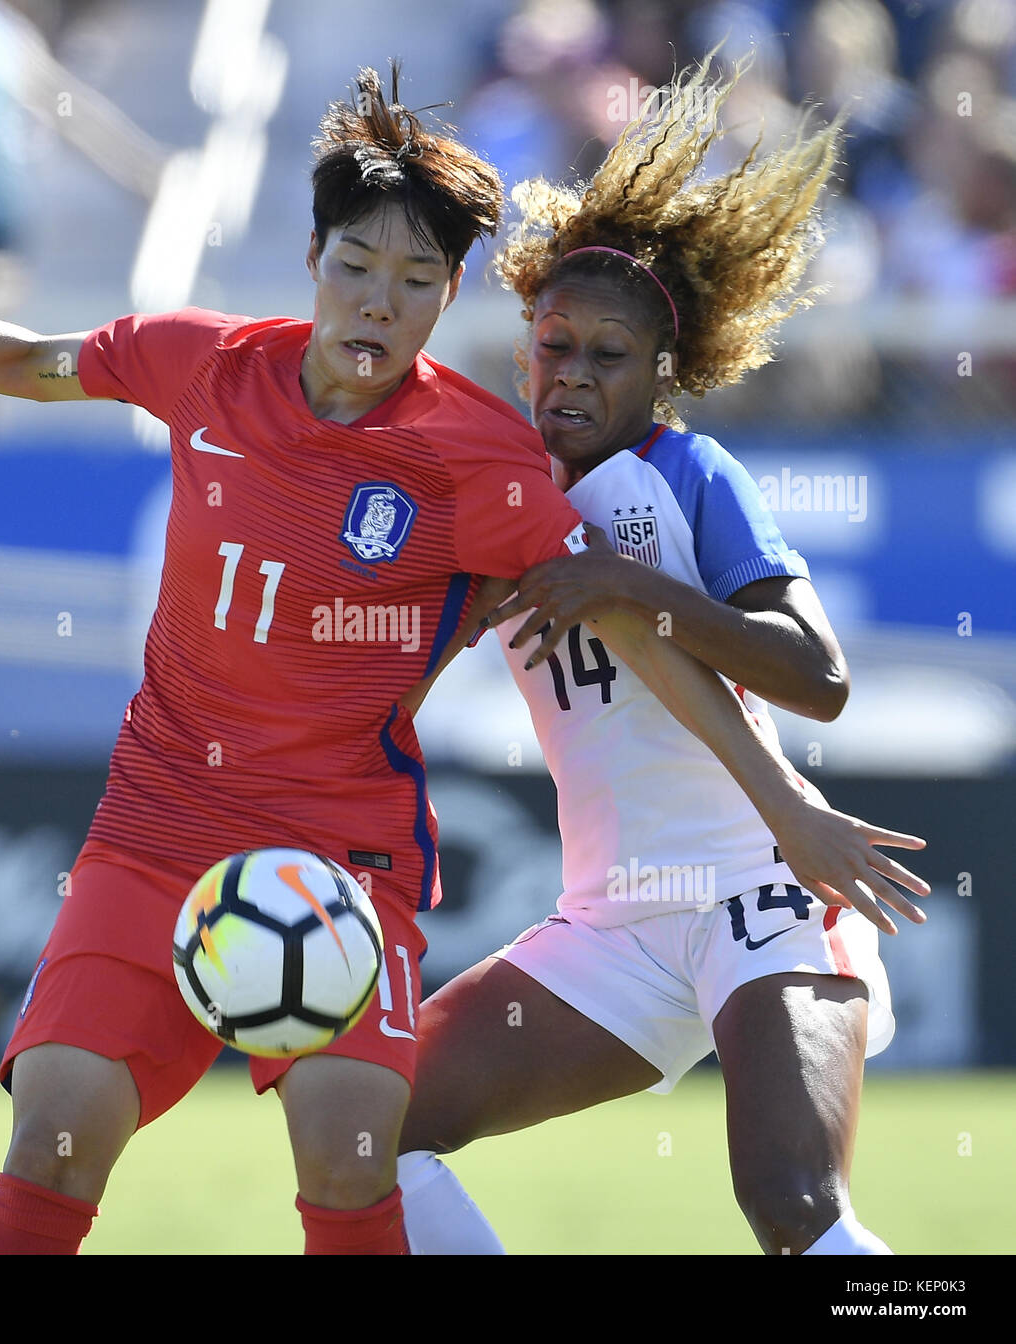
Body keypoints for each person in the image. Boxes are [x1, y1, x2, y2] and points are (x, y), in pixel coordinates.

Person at [0, 63, 925, 1257]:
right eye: (355, 267)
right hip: (335, 857)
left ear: (447, 296)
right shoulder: (253, 381)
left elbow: (689, 646)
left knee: (709, 1201)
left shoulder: (548, 468)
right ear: (314, 261)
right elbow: (41, 362)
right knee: (162, 1134)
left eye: (413, 282)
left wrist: (784, 805)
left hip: (533, 865)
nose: (375, 303)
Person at [395, 57, 923, 1257]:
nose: (570, 375)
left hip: (763, 890)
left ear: (663, 374)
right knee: (368, 1128)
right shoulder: (497, 494)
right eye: (552, 345)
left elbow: (817, 676)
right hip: (613, 924)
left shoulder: (691, 476)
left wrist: (629, 584)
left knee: (793, 1211)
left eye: (606, 356)